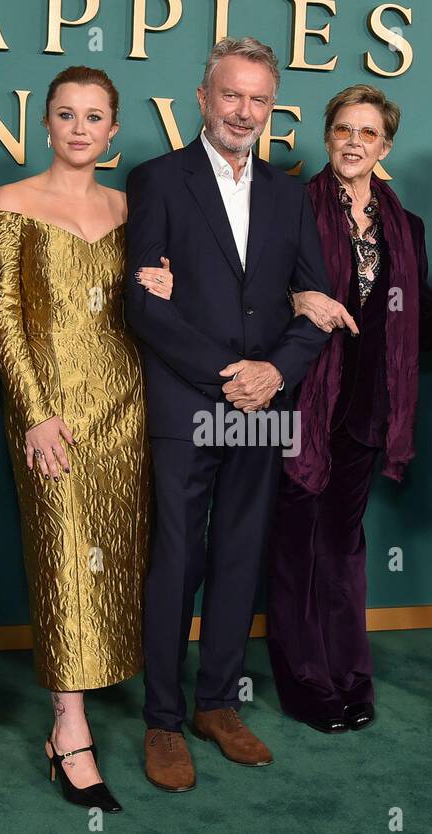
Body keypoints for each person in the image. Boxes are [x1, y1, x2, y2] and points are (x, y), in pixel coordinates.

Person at [125, 37, 352, 792]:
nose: (244, 111)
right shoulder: (157, 179)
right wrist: (230, 376)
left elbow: (316, 305)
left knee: (239, 554)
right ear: (202, 97)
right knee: (178, 559)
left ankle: (217, 703)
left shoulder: (291, 194)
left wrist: (276, 373)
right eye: (231, 95)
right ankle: (162, 717)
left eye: (259, 98)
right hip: (190, 400)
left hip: (264, 401)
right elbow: (143, 305)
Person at [266, 84, 432, 733]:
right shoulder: (289, 206)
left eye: (367, 133)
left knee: (343, 544)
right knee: (296, 546)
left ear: (385, 146)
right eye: (343, 128)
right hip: (302, 404)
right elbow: (258, 297)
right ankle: (304, 679)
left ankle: (349, 673)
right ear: (327, 135)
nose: (353, 141)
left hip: (371, 409)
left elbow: (416, 320)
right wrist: (293, 303)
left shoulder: (407, 225)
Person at [0, 66, 173, 813]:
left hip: (128, 406)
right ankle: (70, 729)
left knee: (121, 552)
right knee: (62, 557)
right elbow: (2, 319)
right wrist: (32, 411)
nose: (79, 128)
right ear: (47, 124)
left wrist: (167, 288)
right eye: (66, 114)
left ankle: (109, 694)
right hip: (51, 410)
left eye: (94, 117)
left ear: (113, 130)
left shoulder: (135, 206)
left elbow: (162, 302)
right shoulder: (11, 202)